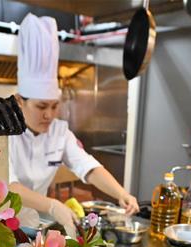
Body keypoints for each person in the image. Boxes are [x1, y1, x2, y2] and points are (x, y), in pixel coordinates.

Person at [9, 14, 138, 234]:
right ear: (20, 101)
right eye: (41, 107)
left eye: (54, 106)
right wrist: (51, 204)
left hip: (36, 223)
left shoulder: (59, 132)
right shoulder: (4, 134)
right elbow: (9, 187)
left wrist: (121, 194)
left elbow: (88, 167)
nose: (49, 115)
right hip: (1, 222)